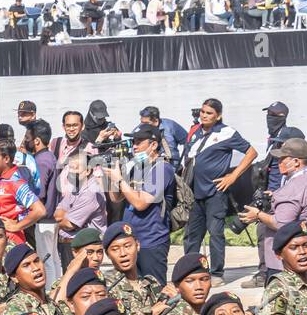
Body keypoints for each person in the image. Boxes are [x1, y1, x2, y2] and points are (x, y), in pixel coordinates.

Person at [181, 98, 257, 280]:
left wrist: (233, 176)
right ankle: (191, 270)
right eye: (202, 112)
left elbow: (252, 152)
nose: (204, 116)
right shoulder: (195, 132)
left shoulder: (227, 132)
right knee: (192, 235)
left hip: (215, 191)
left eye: (209, 113)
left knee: (215, 233)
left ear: (218, 115)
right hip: (193, 191)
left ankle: (216, 273)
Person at [102, 123, 175, 282]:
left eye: (139, 142)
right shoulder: (137, 167)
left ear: (154, 145)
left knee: (154, 289)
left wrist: (120, 179)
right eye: (133, 142)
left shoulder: (162, 168)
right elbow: (116, 198)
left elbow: (141, 203)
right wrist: (111, 174)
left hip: (151, 241)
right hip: (132, 241)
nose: (134, 146)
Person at [243, 137, 307, 282]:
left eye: (282, 159)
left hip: (287, 262)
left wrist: (257, 214)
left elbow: (281, 224)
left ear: (296, 162)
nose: (278, 162)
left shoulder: (292, 190)